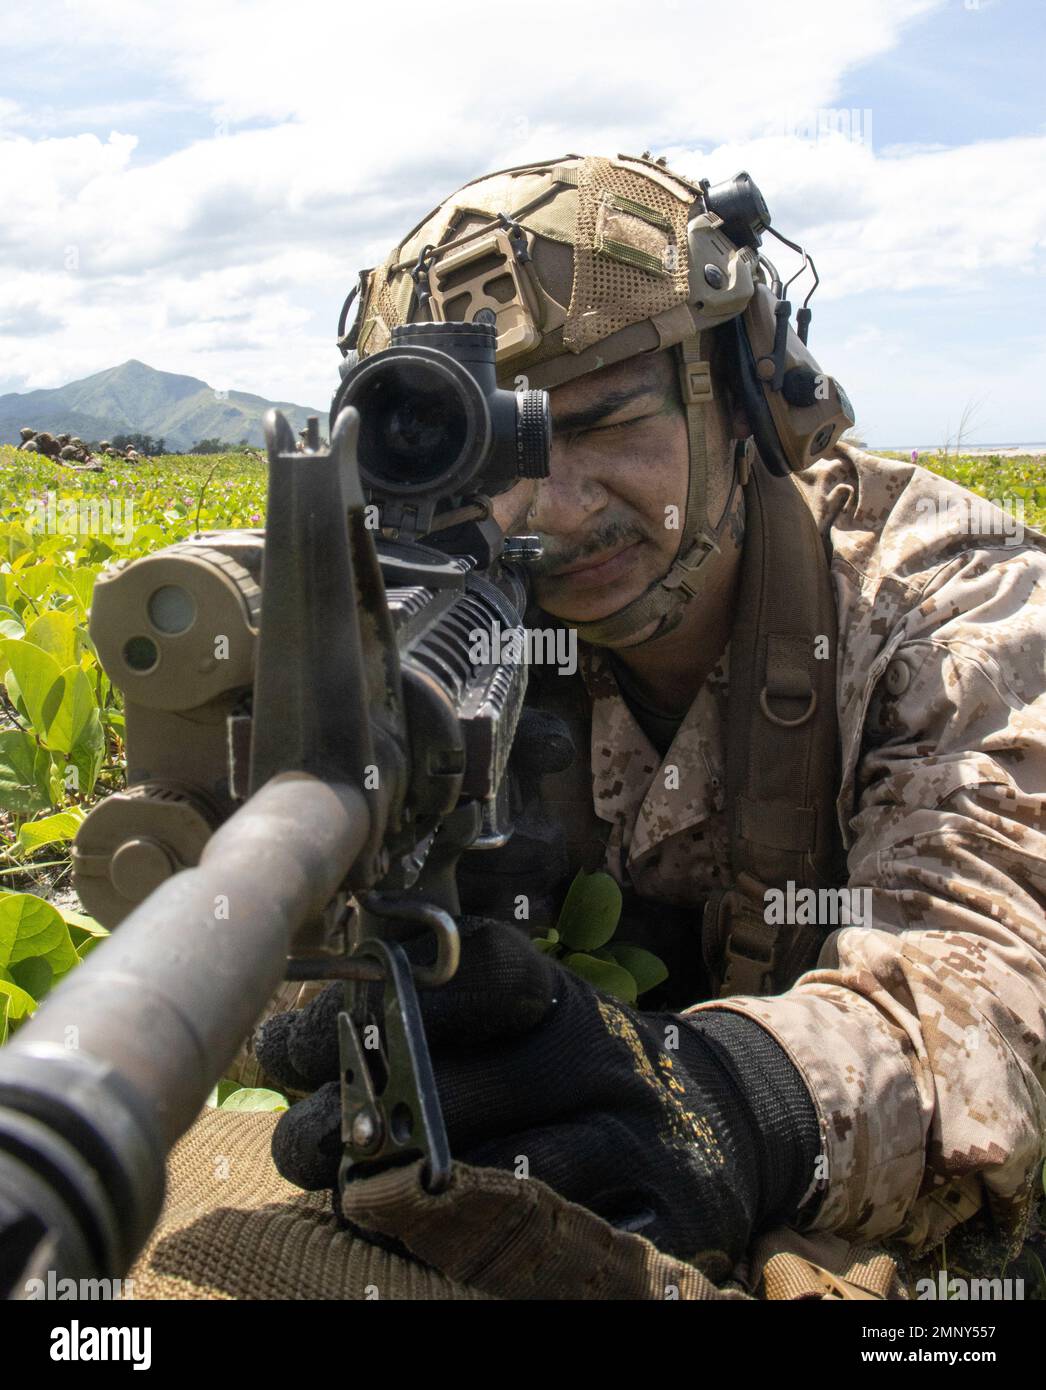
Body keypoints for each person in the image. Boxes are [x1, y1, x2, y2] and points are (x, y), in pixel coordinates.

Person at [234, 152, 1046, 1297]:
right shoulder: (446, 620)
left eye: (607, 421)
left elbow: (997, 994)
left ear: (742, 388)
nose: (553, 508)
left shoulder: (946, 597)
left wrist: (730, 1102)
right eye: (495, 457)